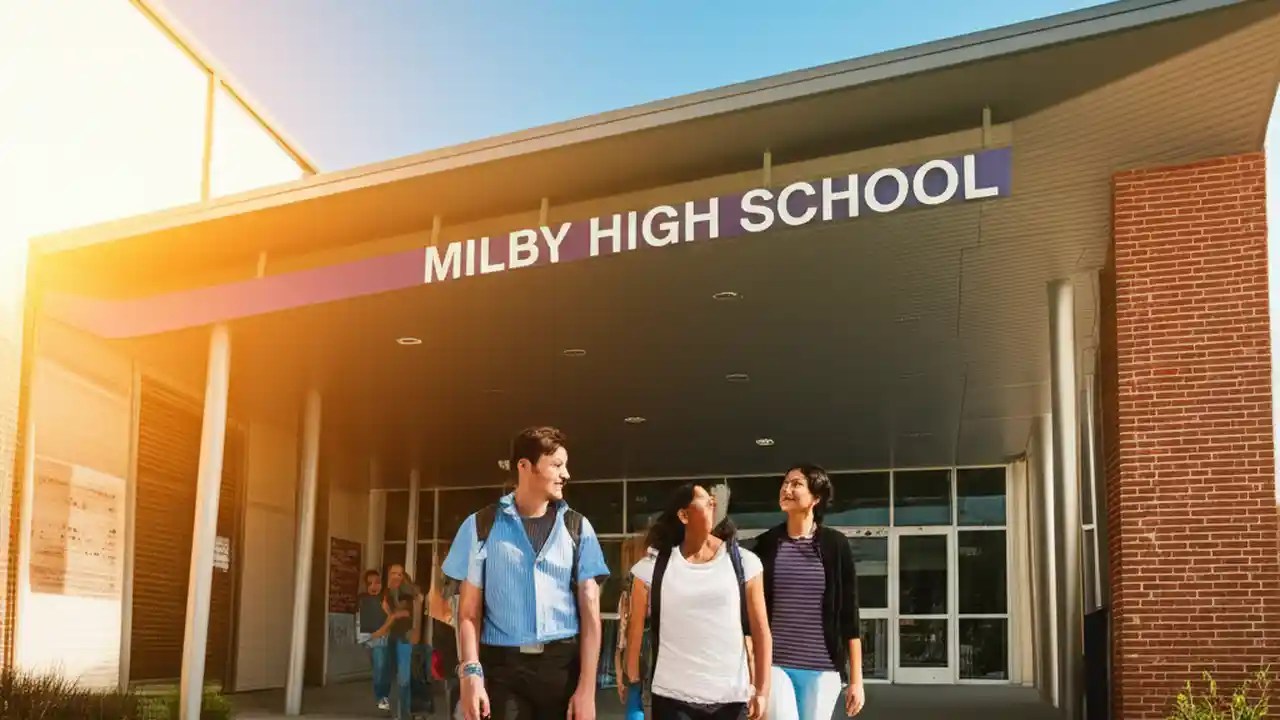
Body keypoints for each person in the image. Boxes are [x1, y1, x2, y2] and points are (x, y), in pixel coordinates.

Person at [442, 426, 611, 720]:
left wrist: (587, 689)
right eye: (556, 465)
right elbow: (467, 613)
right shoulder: (481, 526)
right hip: (502, 668)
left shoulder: (578, 528)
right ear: (524, 466)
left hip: (561, 669)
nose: (566, 474)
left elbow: (591, 613)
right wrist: (471, 675)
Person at [623, 482, 772, 720]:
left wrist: (762, 691)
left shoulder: (745, 563)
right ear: (684, 515)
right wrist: (632, 684)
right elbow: (635, 631)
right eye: (706, 501)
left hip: (731, 701)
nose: (714, 503)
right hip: (672, 700)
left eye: (714, 501)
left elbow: (761, 632)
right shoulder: (652, 567)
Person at [752, 464, 865, 720]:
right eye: (785, 483)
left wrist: (856, 680)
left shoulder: (836, 545)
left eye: (796, 484)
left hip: (822, 667)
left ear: (816, 498)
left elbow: (850, 615)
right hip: (775, 663)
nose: (787, 489)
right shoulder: (766, 545)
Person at [614, 534, 653, 720]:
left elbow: (621, 635)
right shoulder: (665, 579)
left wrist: (619, 673)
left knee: (634, 702)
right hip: (656, 650)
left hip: (635, 654)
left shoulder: (627, 593)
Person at [357, 569, 403, 711]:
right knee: (378, 668)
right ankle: (382, 696)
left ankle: (382, 696)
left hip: (381, 638)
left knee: (381, 667)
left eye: (377, 582)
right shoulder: (362, 599)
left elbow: (392, 617)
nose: (374, 586)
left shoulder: (385, 598)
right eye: (370, 583)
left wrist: (382, 629)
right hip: (367, 638)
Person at [382, 564, 423, 720]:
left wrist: (416, 631)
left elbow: (409, 613)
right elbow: (387, 612)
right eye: (393, 574)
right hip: (392, 635)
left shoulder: (407, 593)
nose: (396, 577)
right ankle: (399, 711)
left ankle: (404, 713)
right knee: (393, 674)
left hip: (405, 636)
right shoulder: (388, 593)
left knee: (404, 676)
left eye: (399, 574)